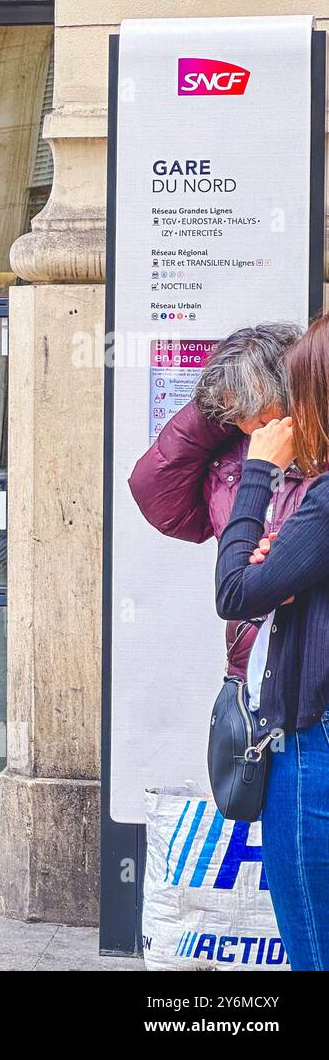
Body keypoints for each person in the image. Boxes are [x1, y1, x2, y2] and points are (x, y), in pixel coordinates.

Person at [213, 313, 329, 971]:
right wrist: (288, 573)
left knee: (312, 943)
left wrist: (257, 475)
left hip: (313, 743)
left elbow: (233, 591)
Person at [129, 324, 309, 675]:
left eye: (256, 409)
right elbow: (156, 493)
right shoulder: (231, 454)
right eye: (237, 413)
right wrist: (214, 412)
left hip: (311, 662)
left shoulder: (319, 453)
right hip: (249, 661)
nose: (248, 424)